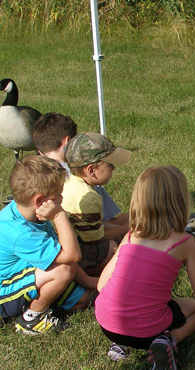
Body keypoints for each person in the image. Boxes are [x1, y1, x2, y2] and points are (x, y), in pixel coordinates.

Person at [95, 165, 195, 369]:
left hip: (107, 323)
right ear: (180, 202)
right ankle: (168, 340)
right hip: (147, 331)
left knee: (148, 305)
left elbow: (102, 285)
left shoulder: (131, 235)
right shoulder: (186, 244)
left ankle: (119, 346)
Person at [0, 155, 97, 334]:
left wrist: (90, 282)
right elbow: (72, 255)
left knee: (83, 300)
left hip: (29, 274)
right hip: (4, 293)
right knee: (64, 270)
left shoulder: (31, 213)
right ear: (40, 201)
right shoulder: (19, 232)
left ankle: (41, 303)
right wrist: (59, 215)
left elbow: (61, 252)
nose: (61, 197)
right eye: (58, 194)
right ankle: (31, 318)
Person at [32, 112, 126, 223]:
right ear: (68, 142)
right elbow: (106, 222)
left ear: (39, 151)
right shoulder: (81, 175)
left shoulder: (31, 173)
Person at [61, 132, 131, 276]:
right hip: (73, 251)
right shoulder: (89, 198)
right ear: (92, 170)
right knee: (112, 247)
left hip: (71, 240)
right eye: (110, 164)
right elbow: (95, 238)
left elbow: (94, 226)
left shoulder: (70, 181)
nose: (114, 168)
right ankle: (93, 277)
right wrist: (128, 228)